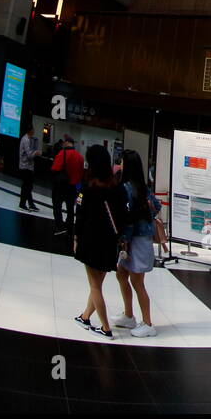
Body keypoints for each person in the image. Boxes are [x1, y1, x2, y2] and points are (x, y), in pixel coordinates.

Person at [73, 145, 129, 339]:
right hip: (109, 242)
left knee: (94, 286)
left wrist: (76, 237)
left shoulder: (89, 186)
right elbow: (123, 216)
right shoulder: (117, 187)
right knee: (98, 283)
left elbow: (80, 215)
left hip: (90, 240)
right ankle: (85, 316)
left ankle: (105, 328)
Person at [112, 150, 160, 338]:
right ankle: (128, 315)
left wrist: (123, 239)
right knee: (122, 274)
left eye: (122, 161)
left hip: (136, 240)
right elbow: (157, 206)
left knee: (137, 281)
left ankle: (148, 323)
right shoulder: (142, 187)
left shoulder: (128, 188)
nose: (120, 164)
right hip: (136, 238)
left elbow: (129, 218)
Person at [51, 135, 83, 235]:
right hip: (73, 187)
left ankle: (60, 227)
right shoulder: (79, 157)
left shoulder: (62, 153)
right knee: (70, 208)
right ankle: (69, 226)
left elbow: (54, 168)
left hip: (61, 186)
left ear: (67, 142)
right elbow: (81, 174)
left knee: (57, 206)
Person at [17, 126, 41, 211]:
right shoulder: (26, 140)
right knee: (27, 186)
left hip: (27, 167)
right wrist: (36, 153)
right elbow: (29, 155)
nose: (34, 131)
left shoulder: (27, 139)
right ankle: (25, 204)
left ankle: (27, 204)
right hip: (25, 167)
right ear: (30, 130)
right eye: (33, 130)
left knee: (27, 186)